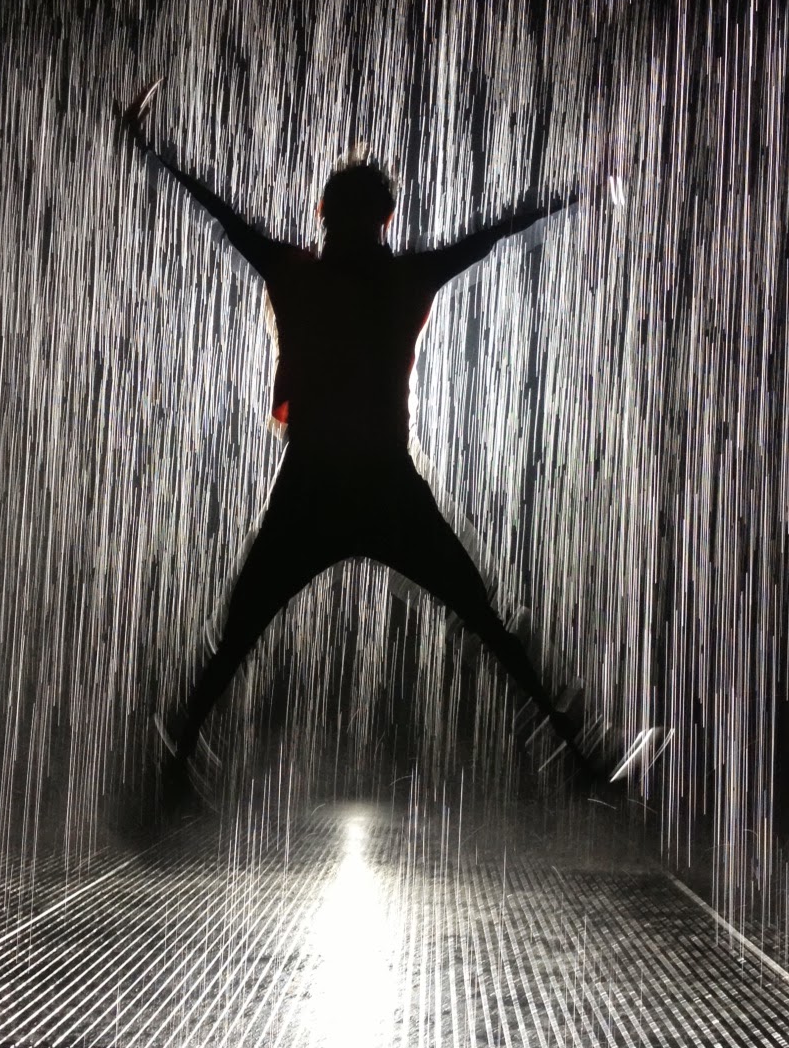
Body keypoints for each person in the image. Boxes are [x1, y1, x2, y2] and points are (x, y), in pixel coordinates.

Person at [121, 87, 605, 806]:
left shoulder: (299, 272)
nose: (345, 225)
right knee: (481, 619)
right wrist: (573, 191)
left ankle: (173, 764)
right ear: (383, 218)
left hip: (322, 483)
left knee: (241, 630)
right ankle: (575, 753)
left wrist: (155, 151)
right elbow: (496, 232)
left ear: (334, 213)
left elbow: (220, 214)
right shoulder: (397, 275)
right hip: (377, 485)